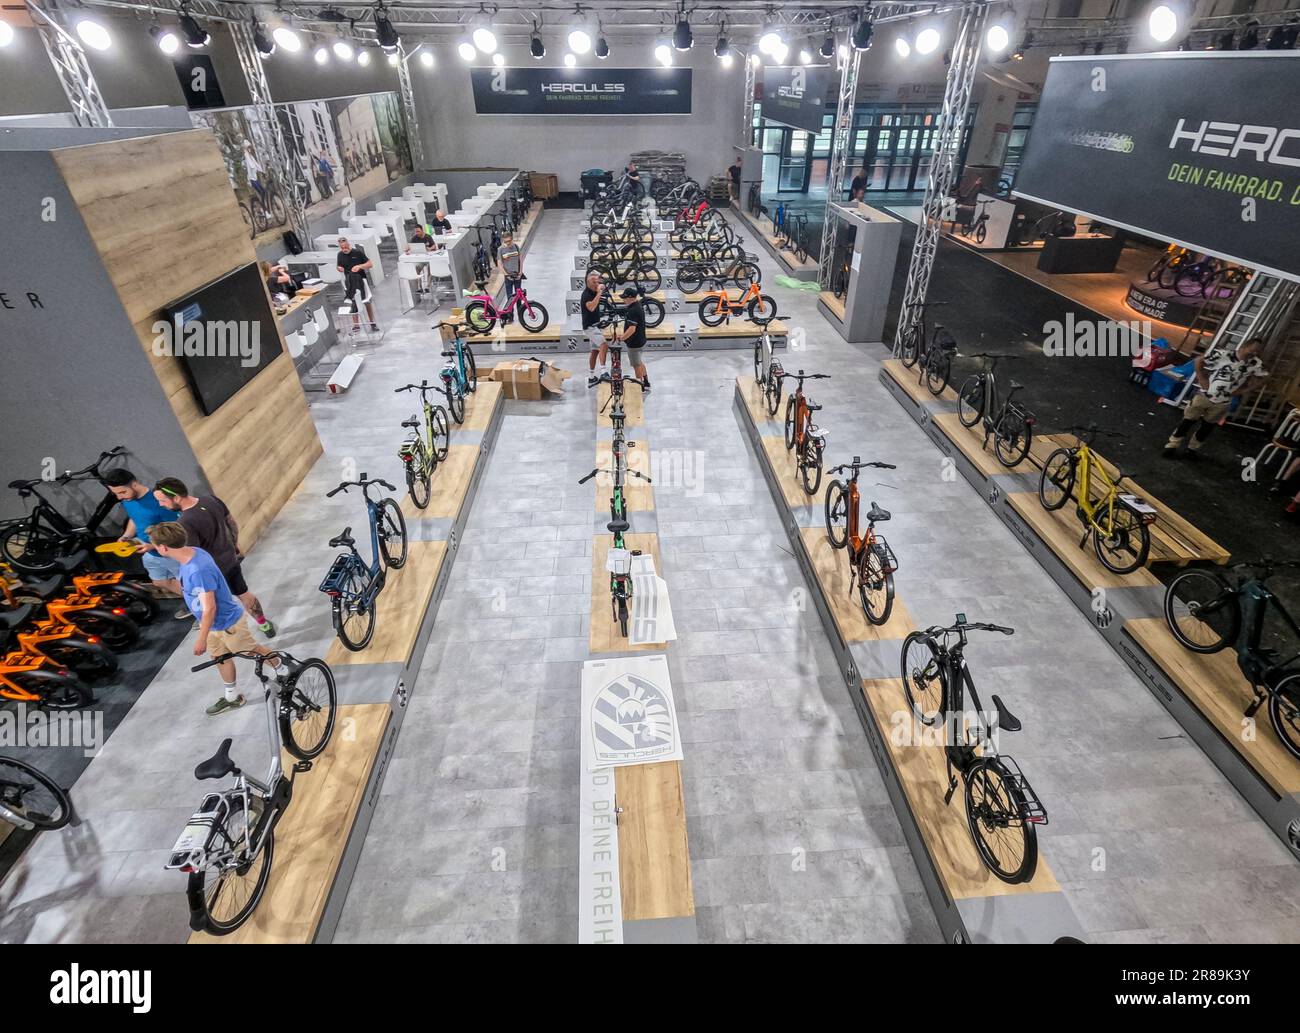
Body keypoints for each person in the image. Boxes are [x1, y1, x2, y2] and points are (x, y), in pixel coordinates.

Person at [148, 522, 286, 717]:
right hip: (214, 626)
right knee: (219, 657)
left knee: (252, 650)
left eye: (155, 546)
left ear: (163, 548)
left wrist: (201, 638)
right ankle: (232, 697)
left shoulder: (198, 570)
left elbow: (210, 607)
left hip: (228, 624)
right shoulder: (192, 552)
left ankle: (284, 670)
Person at [152, 477, 278, 637]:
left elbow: (192, 554)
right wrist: (234, 545)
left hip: (213, 571)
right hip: (230, 560)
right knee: (244, 593)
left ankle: (235, 637)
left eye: (162, 501)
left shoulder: (185, 522)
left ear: (176, 497)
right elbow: (231, 523)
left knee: (217, 606)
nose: (161, 505)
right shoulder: (210, 500)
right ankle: (264, 625)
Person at [103, 468, 189, 620]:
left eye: (122, 492)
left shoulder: (158, 501)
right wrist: (127, 535)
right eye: (115, 493)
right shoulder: (128, 501)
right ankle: (195, 602)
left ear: (134, 484)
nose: (118, 497)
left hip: (169, 551)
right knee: (159, 581)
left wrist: (152, 545)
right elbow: (134, 518)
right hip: (149, 552)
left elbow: (175, 529)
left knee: (187, 582)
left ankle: (202, 607)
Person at [1163, 338, 1268, 460]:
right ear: (1245, 346)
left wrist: (1246, 390)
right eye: (1252, 350)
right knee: (1187, 422)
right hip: (1205, 395)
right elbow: (1199, 360)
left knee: (1207, 427)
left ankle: (1192, 449)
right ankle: (1171, 446)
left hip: (1223, 401)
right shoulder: (1224, 355)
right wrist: (1201, 378)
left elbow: (1265, 376)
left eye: (1257, 352)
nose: (1253, 353)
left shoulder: (1254, 363)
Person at [336, 236, 379, 333]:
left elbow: (370, 264)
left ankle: (372, 322)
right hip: (349, 281)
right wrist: (339, 268)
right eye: (342, 248)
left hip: (361, 280)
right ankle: (356, 325)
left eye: (345, 247)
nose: (344, 250)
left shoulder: (357, 253)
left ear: (348, 244)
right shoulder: (340, 255)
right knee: (353, 301)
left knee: (367, 301)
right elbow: (338, 266)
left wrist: (360, 266)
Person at [616, 286, 651, 395]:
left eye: (625, 298)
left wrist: (621, 338)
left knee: (636, 365)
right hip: (641, 341)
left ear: (631, 298)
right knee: (639, 362)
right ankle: (646, 382)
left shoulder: (633, 310)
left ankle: (640, 387)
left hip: (634, 344)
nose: (623, 300)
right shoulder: (637, 306)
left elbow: (632, 329)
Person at [582, 270, 611, 387]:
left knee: (594, 351)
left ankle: (591, 377)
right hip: (589, 327)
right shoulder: (586, 295)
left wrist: (602, 286)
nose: (596, 284)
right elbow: (592, 308)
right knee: (603, 344)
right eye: (594, 282)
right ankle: (603, 371)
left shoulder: (594, 289)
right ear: (588, 283)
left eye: (597, 281)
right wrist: (599, 293)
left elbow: (604, 284)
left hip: (595, 325)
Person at [498, 231, 523, 306]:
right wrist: (506, 275)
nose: (508, 243)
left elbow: (520, 260)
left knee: (519, 297)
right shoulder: (500, 249)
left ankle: (520, 314)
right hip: (508, 277)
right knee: (510, 298)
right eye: (505, 241)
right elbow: (499, 264)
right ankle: (510, 316)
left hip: (517, 276)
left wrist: (520, 272)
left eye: (509, 241)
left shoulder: (516, 247)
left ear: (512, 239)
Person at [243, 141, 268, 209]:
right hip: (251, 179)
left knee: (263, 192)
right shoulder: (246, 155)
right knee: (261, 192)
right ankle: (264, 210)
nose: (250, 149)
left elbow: (256, 165)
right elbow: (252, 165)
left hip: (255, 178)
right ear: (246, 148)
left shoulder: (250, 156)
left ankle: (263, 207)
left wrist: (262, 171)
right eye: (248, 147)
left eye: (250, 147)